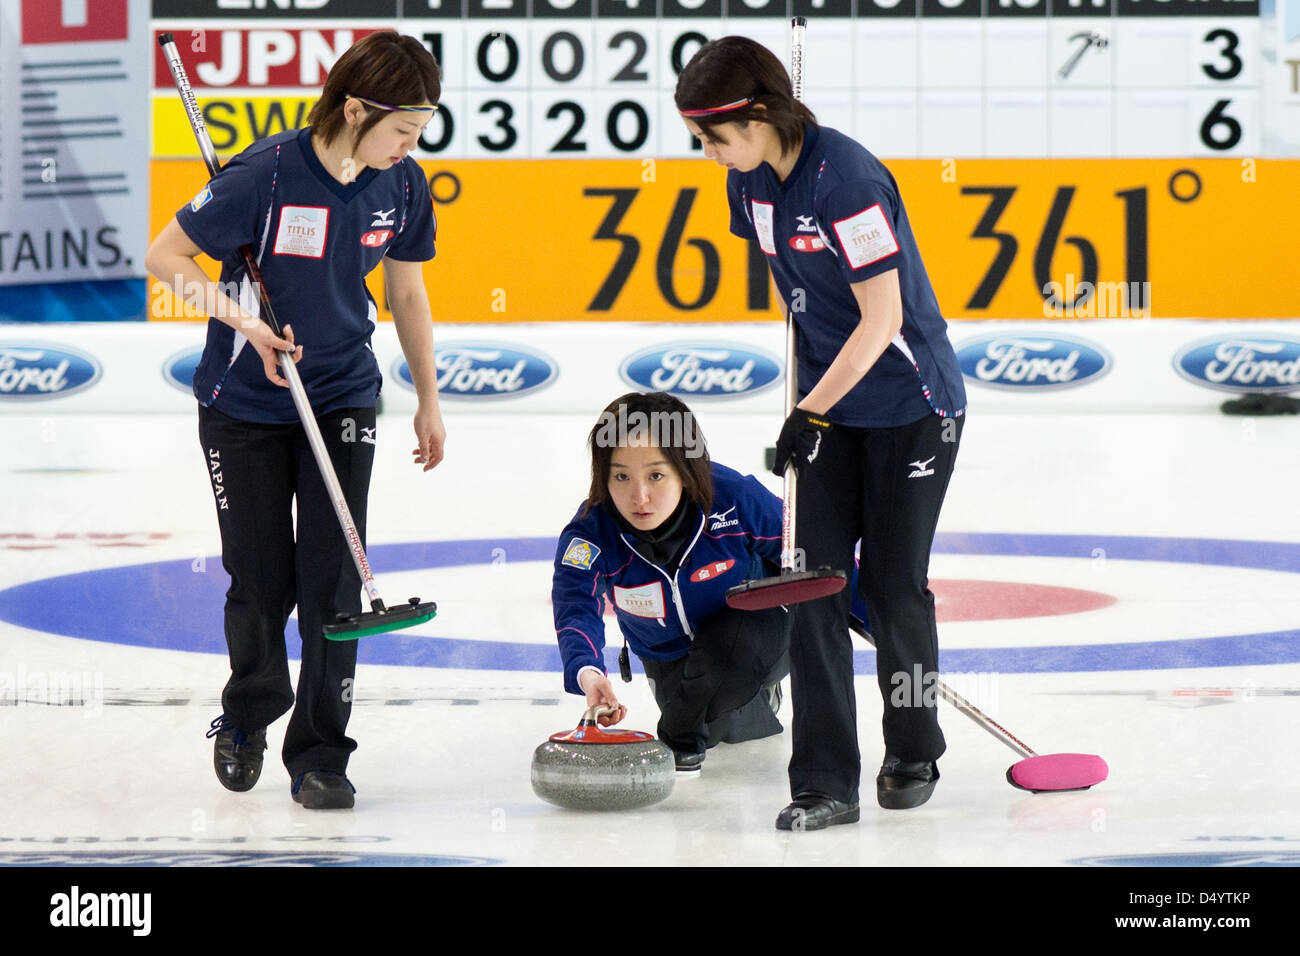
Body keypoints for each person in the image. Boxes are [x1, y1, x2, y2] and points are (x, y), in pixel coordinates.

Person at [144, 31, 445, 810]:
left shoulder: (403, 188)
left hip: (343, 393)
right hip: (243, 405)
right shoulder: (265, 176)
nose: (411, 146)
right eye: (403, 130)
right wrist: (245, 325)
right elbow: (165, 259)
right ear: (355, 108)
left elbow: (408, 295)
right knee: (260, 579)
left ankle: (320, 753)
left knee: (334, 585)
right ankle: (247, 714)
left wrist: (428, 401)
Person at [676, 37, 968, 828]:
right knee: (811, 588)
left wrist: (810, 411)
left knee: (892, 588)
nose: (708, 155)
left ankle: (913, 746)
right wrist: (813, 405)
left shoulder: (849, 182)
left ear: (762, 114)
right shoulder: (749, 186)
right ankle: (825, 781)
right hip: (830, 409)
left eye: (715, 137)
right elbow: (799, 296)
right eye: (699, 139)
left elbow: (883, 318)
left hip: (911, 409)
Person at [552, 392, 790, 773]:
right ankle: (743, 698)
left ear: (685, 469)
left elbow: (815, 556)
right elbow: (575, 606)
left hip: (754, 625)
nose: (639, 496)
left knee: (721, 667)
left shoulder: (734, 498)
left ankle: (680, 737)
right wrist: (589, 673)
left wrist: (883, 623)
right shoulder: (590, 533)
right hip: (665, 653)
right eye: (621, 476)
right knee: (722, 726)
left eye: (656, 475)